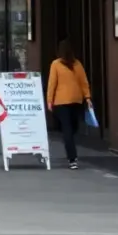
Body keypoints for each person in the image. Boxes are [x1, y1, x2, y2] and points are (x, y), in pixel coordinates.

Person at [46, 39, 92, 170]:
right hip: (76, 101)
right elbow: (84, 82)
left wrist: (49, 100)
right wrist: (87, 97)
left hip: (61, 102)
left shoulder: (56, 64)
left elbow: (52, 84)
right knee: (72, 128)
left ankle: (72, 159)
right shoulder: (77, 64)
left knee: (68, 130)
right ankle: (72, 156)